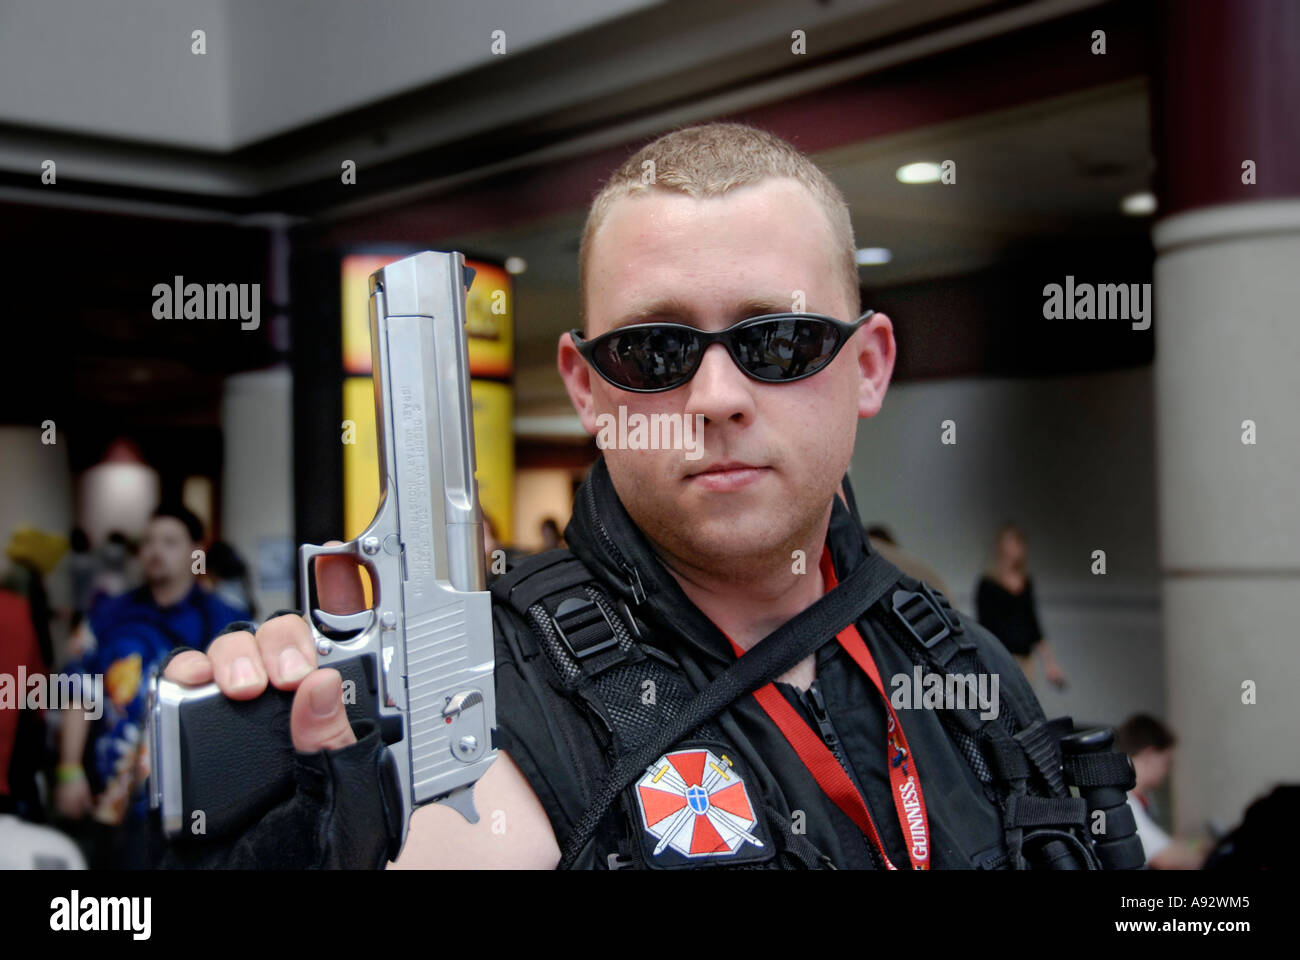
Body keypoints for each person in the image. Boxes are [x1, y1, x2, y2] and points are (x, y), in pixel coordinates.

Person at [161, 123, 1119, 871]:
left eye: (776, 342)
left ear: (867, 367)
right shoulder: (467, 705)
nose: (715, 399)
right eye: (653, 353)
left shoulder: (962, 662)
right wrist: (302, 819)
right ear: (586, 389)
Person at [57, 503, 248, 867]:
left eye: (170, 541)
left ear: (197, 551)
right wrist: (69, 770)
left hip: (202, 802)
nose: (155, 550)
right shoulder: (107, 614)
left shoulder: (227, 620)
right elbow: (78, 690)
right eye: (148, 541)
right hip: (114, 802)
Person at [974, 524, 1066, 689]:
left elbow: (1034, 625)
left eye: (1020, 543)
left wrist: (1050, 664)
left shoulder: (1026, 582)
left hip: (1025, 658)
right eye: (1013, 543)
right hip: (1000, 659)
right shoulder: (988, 585)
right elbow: (983, 626)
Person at [1115, 713, 1204, 869]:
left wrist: (1197, 846)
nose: (1168, 770)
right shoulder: (1123, 803)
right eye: (1167, 762)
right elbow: (1165, 858)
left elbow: (1161, 844)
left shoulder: (1141, 800)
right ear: (1149, 755)